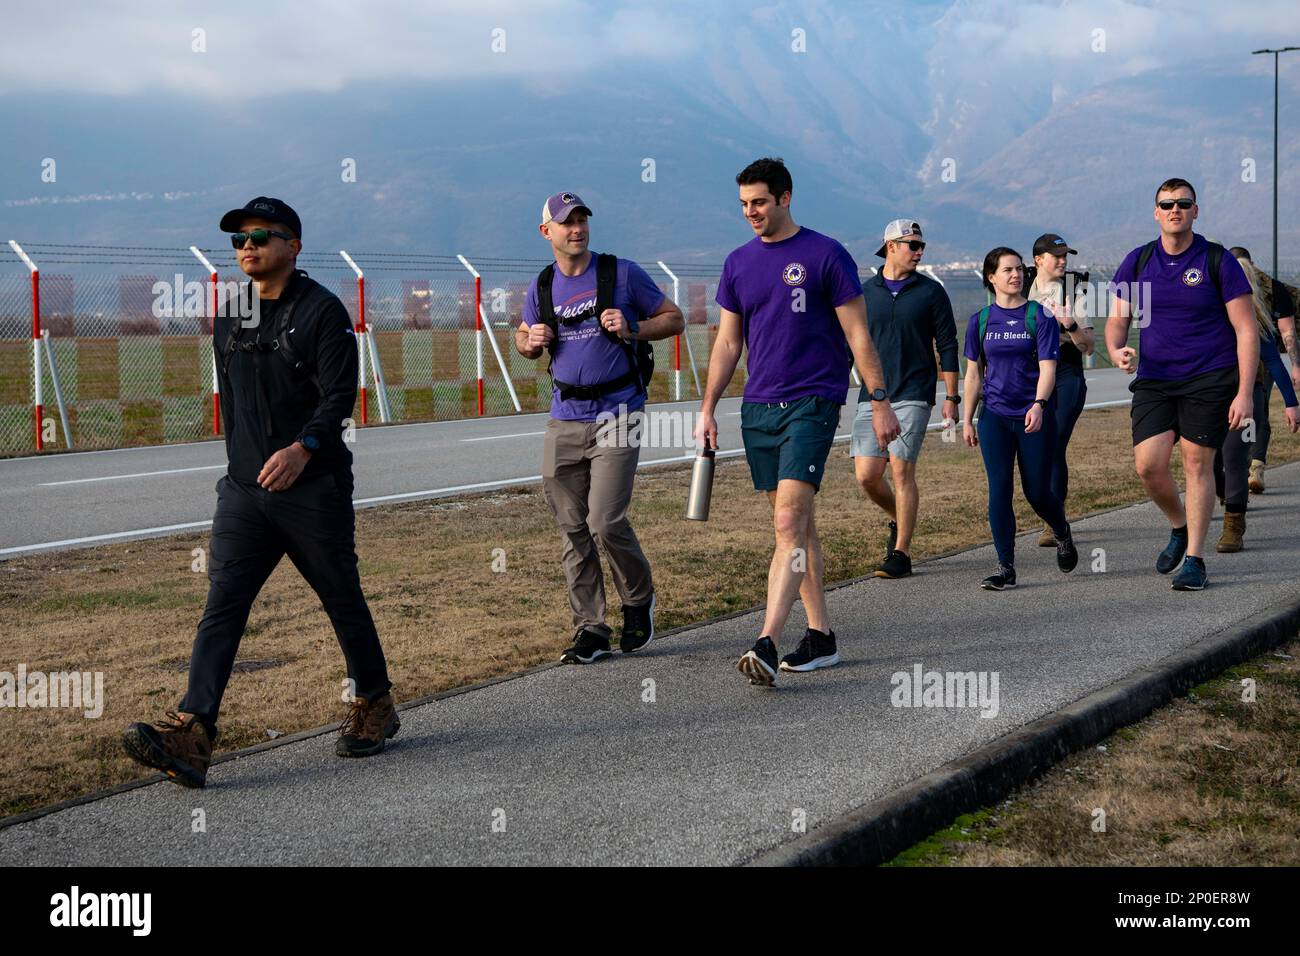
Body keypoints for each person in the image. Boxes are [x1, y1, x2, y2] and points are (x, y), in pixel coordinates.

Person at [122, 197, 398, 788]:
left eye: (261, 236)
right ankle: (193, 734)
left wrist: (303, 450)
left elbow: (338, 398)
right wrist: (244, 469)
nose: (247, 246)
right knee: (222, 606)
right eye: (239, 239)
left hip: (312, 488)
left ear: (293, 246)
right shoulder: (232, 311)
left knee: (340, 597)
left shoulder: (323, 312)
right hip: (244, 493)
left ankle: (374, 703)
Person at [693, 157, 900, 686]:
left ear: (785, 197)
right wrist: (708, 406)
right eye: (743, 205)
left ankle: (765, 642)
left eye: (759, 202)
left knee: (788, 523)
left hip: (813, 402)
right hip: (759, 407)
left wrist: (878, 401)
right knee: (797, 528)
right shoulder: (738, 263)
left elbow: (858, 336)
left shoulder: (825, 254)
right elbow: (728, 342)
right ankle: (822, 636)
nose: (751, 213)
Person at [515, 192, 684, 664]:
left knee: (603, 520)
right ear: (546, 232)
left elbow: (674, 319)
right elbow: (523, 336)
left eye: (583, 220)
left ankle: (638, 599)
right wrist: (528, 343)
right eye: (567, 222)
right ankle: (590, 628)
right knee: (572, 528)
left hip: (619, 411)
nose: (578, 228)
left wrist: (631, 326)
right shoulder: (543, 285)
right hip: (564, 417)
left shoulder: (621, 273)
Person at [1105, 179, 1259, 591]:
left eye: (1183, 203)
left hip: (1209, 376)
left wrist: (1244, 393)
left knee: (1196, 462)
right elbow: (1116, 321)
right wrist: (1117, 349)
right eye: (1167, 204)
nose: (1175, 209)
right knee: (1148, 465)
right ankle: (1179, 525)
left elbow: (1246, 331)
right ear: (1156, 212)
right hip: (1155, 379)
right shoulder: (1137, 262)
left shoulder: (1217, 260)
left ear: (1195, 210)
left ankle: (1195, 559)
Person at [961, 247, 1078, 590]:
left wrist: (1040, 404)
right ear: (991, 277)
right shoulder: (980, 321)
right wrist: (967, 419)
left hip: (1033, 416)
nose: (1016, 275)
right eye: (1008, 270)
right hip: (994, 416)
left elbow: (1048, 368)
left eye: (1019, 270)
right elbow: (973, 374)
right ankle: (1005, 567)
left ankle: (1061, 530)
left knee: (1037, 492)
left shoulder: (1038, 316)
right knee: (999, 490)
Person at [851, 218, 959, 579]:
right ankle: (900, 518)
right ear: (890, 247)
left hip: (915, 392)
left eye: (921, 245)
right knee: (867, 475)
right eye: (912, 245)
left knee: (900, 467)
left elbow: (947, 345)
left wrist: (952, 396)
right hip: (873, 394)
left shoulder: (932, 292)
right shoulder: (864, 293)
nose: (919, 251)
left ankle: (901, 554)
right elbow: (849, 345)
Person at [1212, 251, 1300, 550]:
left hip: (1250, 394)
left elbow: (1275, 362)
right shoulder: (1207, 316)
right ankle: (1225, 493)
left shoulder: (1252, 320)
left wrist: (1291, 403)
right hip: (1209, 395)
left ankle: (1234, 524)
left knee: (1235, 456)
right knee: (1208, 459)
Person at [1024, 233, 1095, 547]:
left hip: (1066, 372)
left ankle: (1055, 523)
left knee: (1053, 445)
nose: (1064, 261)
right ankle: (1052, 516)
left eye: (1067, 256)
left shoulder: (1075, 289)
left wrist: (1070, 323)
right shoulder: (1020, 285)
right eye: (1057, 256)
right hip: (1033, 373)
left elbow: (1089, 347)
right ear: (1039, 260)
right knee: (1039, 449)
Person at [1227, 247, 1300, 493]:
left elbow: (1282, 339)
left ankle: (1249, 466)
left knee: (1252, 413)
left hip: (1248, 371)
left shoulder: (1270, 296)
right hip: (1231, 374)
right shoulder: (1216, 306)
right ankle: (1244, 468)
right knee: (1252, 414)